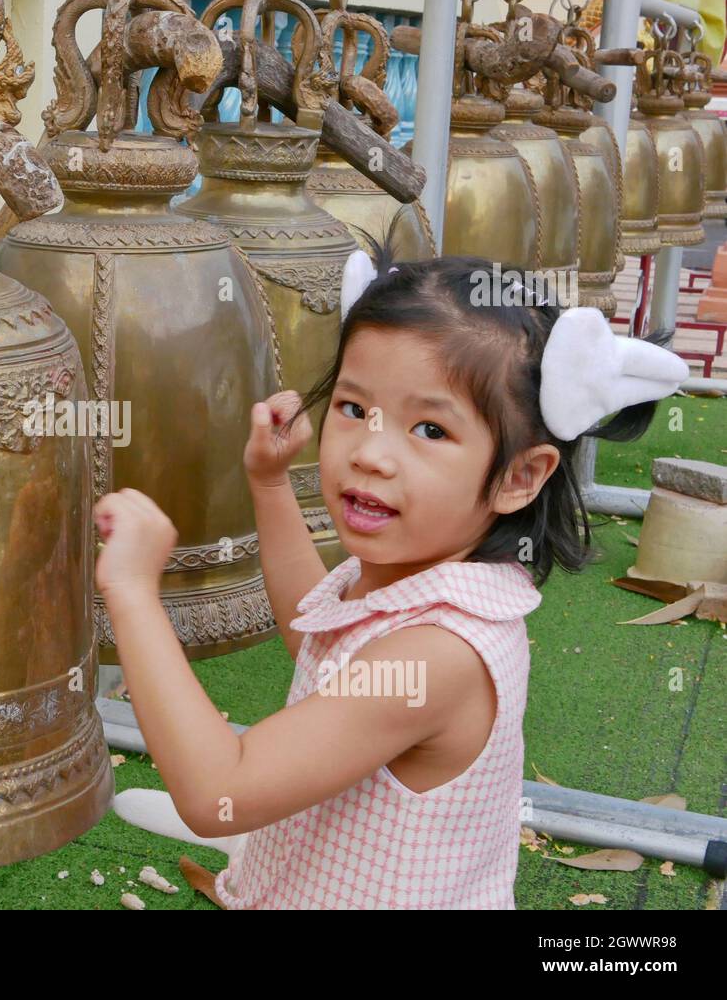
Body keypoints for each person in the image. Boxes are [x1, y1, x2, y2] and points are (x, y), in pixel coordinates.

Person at [94, 245, 689, 909]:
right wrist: (269, 483)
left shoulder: (438, 655)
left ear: (521, 476)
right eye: (354, 408)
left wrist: (133, 593)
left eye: (430, 428)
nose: (371, 453)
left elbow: (216, 795)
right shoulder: (423, 575)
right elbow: (315, 637)